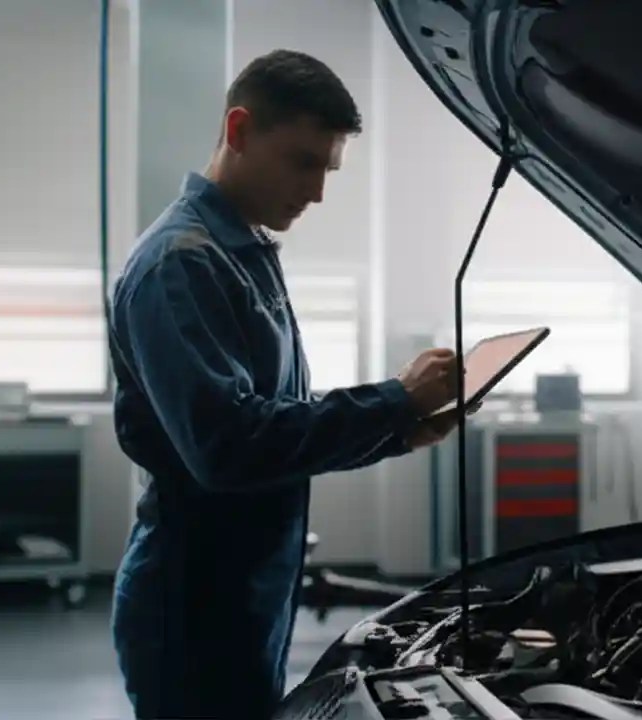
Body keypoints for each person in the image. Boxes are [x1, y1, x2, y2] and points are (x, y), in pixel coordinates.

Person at [107, 49, 465, 718]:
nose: (317, 192)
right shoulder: (179, 265)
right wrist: (394, 398)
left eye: (327, 170)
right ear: (239, 132)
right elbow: (229, 446)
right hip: (194, 606)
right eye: (303, 163)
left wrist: (399, 432)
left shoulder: (242, 252)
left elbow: (280, 424)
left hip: (244, 596)